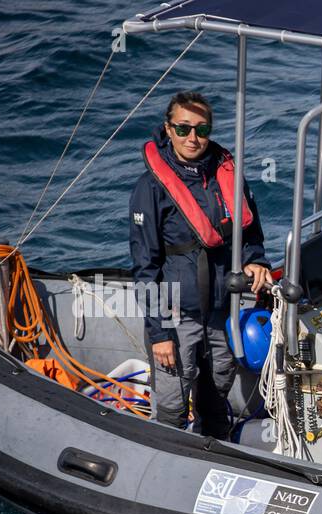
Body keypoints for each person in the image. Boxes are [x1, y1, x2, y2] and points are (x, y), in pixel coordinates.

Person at [130, 90, 271, 438]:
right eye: (183, 129)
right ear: (168, 128)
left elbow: (250, 233)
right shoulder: (150, 188)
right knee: (173, 403)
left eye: (201, 129)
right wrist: (159, 333)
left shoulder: (227, 175)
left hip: (222, 312)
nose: (193, 138)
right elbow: (144, 268)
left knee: (217, 393)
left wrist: (256, 262)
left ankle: (217, 454)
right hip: (178, 317)